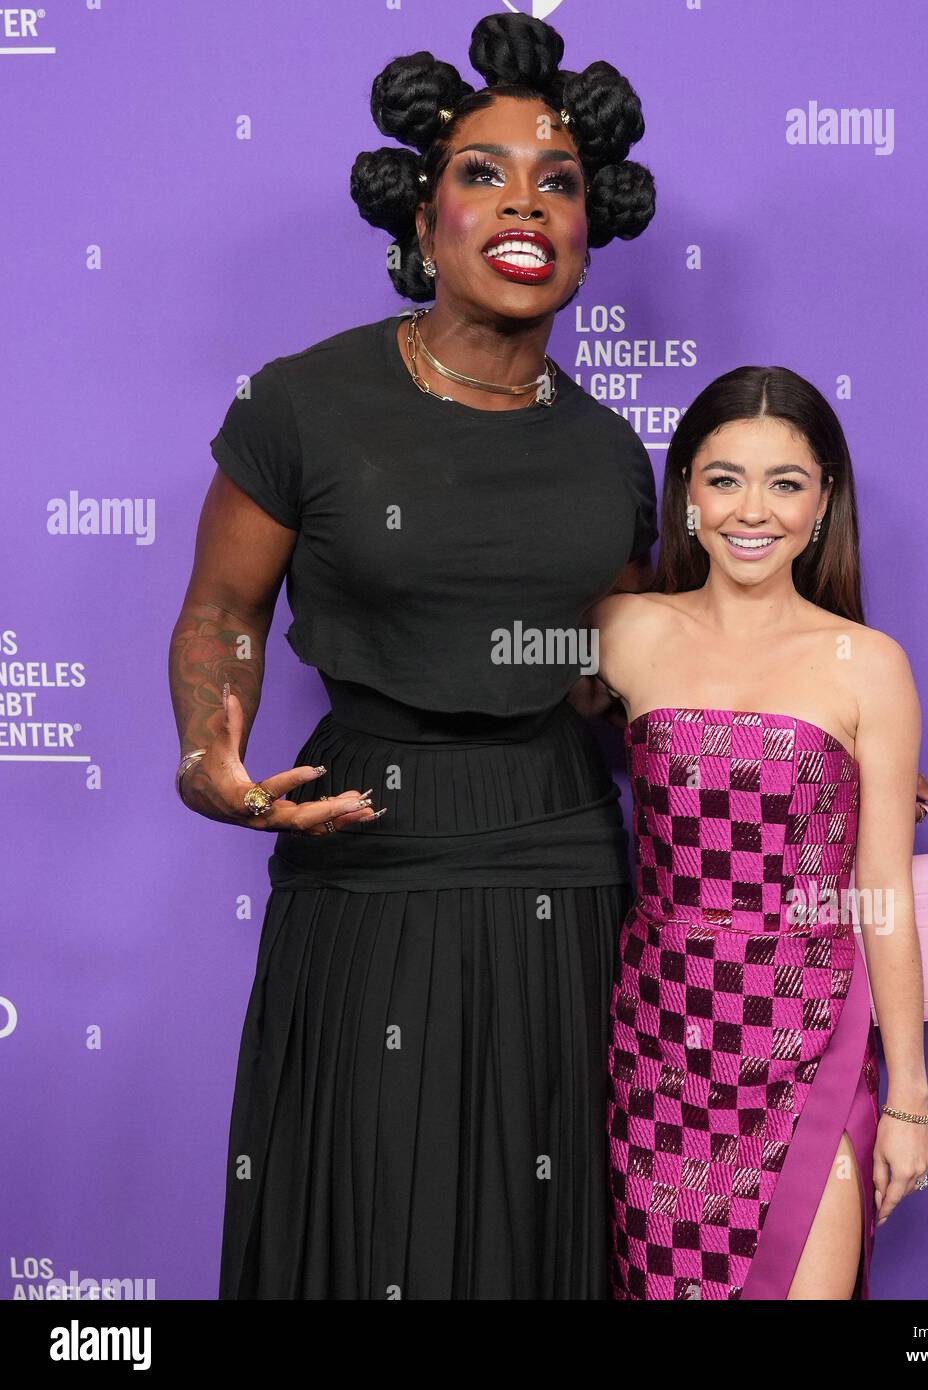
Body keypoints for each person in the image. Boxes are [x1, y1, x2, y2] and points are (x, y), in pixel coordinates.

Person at [169, 11, 661, 1299]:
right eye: (482, 173)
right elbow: (225, 613)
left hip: (560, 847)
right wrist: (208, 749)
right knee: (369, 1199)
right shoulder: (304, 403)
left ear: (589, 230)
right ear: (423, 217)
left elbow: (620, 670)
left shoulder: (609, 451)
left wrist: (815, 744)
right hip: (368, 832)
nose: (524, 204)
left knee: (535, 1204)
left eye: (557, 182)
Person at [590, 366, 928, 1299]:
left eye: (785, 482)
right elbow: (497, 731)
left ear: (823, 500)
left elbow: (885, 896)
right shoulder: (620, 631)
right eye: (723, 478)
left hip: (808, 1037)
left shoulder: (868, 665)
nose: (754, 510)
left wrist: (907, 1100)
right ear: (687, 494)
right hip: (658, 1046)